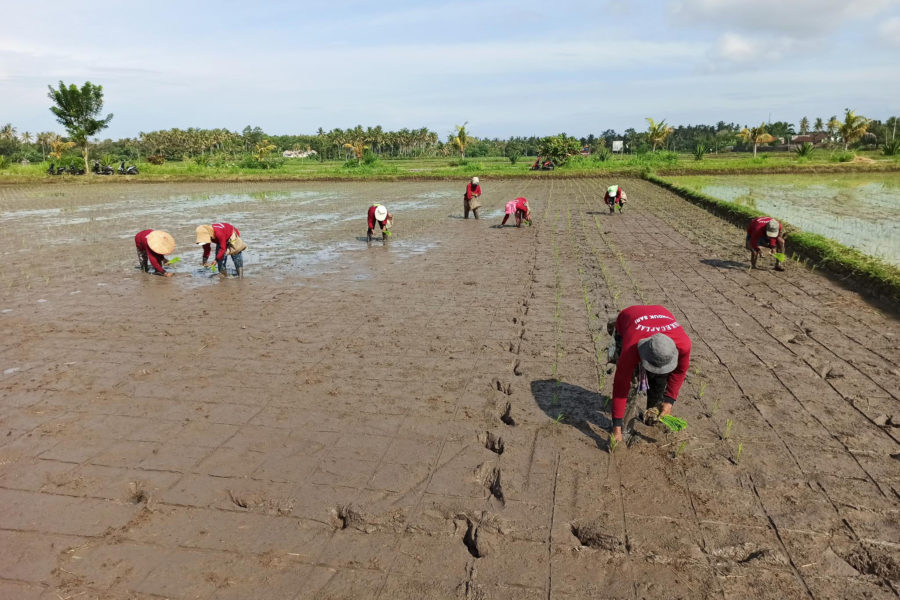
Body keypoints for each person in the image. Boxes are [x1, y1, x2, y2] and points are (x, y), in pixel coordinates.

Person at [607, 305, 692, 443]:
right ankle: (625, 427)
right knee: (631, 385)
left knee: (660, 376)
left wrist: (669, 401)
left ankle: (651, 416)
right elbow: (621, 387)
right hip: (628, 318)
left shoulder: (683, 344)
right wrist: (616, 428)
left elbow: (680, 371)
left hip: (660, 312)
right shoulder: (630, 350)